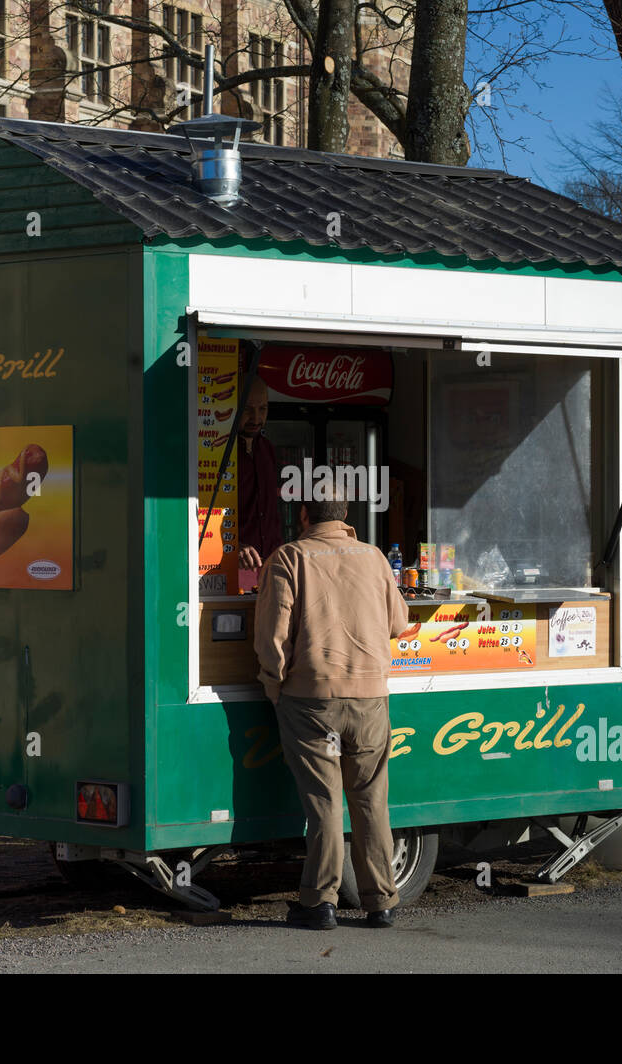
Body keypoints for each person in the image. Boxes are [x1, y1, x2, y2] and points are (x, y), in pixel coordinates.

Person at [254, 494, 411, 930]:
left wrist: (274, 685)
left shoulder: (288, 558)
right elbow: (399, 624)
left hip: (311, 701)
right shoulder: (376, 558)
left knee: (325, 801)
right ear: (346, 519)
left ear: (303, 516)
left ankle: (320, 903)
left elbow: (272, 636)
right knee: (370, 799)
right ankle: (380, 902)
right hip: (369, 700)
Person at [237, 375, 283, 573]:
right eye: (247, 409)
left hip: (272, 566)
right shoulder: (217, 452)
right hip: (229, 569)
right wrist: (232, 546)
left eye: (262, 409)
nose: (256, 418)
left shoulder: (267, 449)